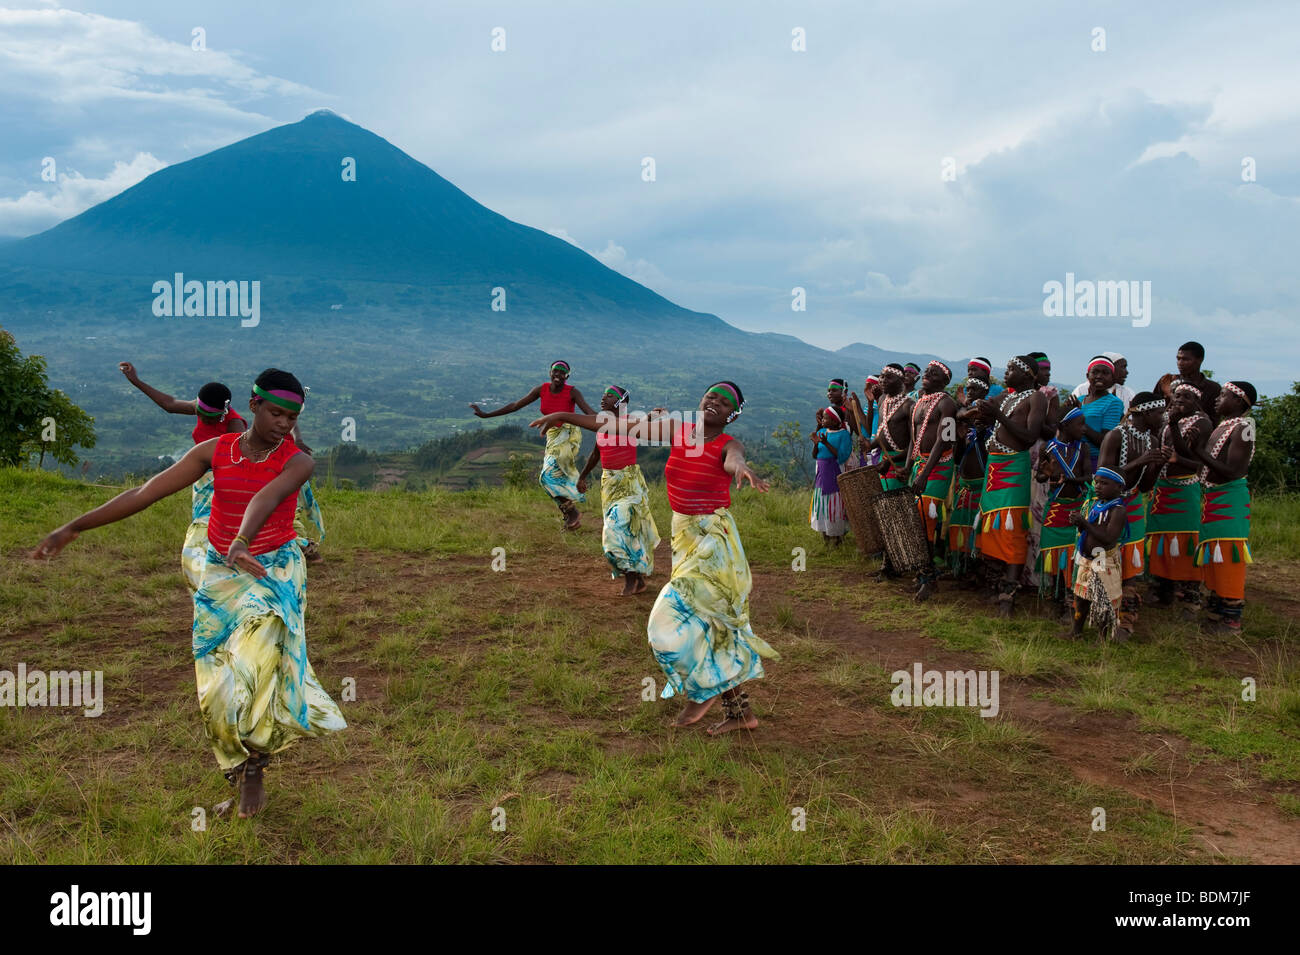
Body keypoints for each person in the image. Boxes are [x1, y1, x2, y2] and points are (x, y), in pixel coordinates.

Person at [32, 369, 346, 819]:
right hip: (221, 574)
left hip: (271, 571)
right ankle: (241, 769)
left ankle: (257, 762)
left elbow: (267, 497)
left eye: (293, 416)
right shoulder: (213, 451)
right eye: (277, 412)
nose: (285, 424)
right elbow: (145, 492)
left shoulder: (298, 462)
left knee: (255, 664)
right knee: (217, 686)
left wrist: (243, 539)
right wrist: (75, 526)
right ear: (253, 406)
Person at [530, 381, 775, 736]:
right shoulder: (678, 429)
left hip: (713, 542)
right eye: (710, 396)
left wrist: (741, 468)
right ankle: (739, 711)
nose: (714, 403)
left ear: (731, 415)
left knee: (665, 624)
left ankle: (701, 690)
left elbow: (733, 458)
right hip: (684, 538)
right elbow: (611, 426)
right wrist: (561, 413)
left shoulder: (728, 444)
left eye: (723, 403)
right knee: (713, 624)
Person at [471, 360, 596, 529]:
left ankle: (572, 511)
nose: (558, 374)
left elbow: (590, 413)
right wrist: (487, 415)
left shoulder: (572, 392)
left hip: (569, 435)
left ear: (567, 376)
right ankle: (570, 511)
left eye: (562, 372)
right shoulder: (541, 390)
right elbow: (515, 406)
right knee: (546, 479)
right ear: (550, 373)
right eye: (555, 371)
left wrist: (614, 423)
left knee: (547, 476)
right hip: (552, 436)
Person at [1174, 381, 1257, 632]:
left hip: (1229, 500)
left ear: (1240, 401)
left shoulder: (1244, 428)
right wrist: (1194, 450)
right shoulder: (1223, 426)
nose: (1217, 399)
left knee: (1228, 556)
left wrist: (1199, 450)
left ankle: (1232, 620)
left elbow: (1234, 471)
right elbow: (1203, 464)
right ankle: (1217, 611)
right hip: (1213, 499)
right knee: (1214, 556)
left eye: (1224, 395)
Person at [972, 356, 1048, 616]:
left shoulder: (1036, 398)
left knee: (1012, 526)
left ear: (1028, 374)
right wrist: (972, 413)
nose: (1006, 372)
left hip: (1014, 467)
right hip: (994, 467)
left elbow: (1029, 437)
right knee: (991, 526)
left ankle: (1009, 593)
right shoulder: (1005, 396)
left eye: (1012, 369)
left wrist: (998, 416)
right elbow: (976, 411)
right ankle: (994, 582)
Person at [1096, 392, 1169, 640]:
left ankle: (1125, 620)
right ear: (1146, 413)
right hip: (1106, 504)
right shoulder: (1116, 435)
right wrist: (1140, 461)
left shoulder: (1153, 440)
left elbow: (1146, 486)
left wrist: (1157, 464)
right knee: (1104, 557)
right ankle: (1099, 613)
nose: (1164, 417)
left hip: (1134, 503)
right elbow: (1102, 476)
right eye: (1160, 413)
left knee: (1130, 561)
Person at [576, 386, 661, 595]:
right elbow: (596, 454)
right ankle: (637, 578)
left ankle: (631, 578)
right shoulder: (601, 425)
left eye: (610, 395)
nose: (604, 397)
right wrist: (582, 476)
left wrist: (650, 416)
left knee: (614, 532)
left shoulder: (630, 421)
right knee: (624, 532)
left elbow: (642, 425)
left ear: (621, 402)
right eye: (603, 394)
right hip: (609, 484)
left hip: (629, 482)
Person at [1147, 382, 1211, 609]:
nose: (1180, 399)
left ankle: (1191, 596)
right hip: (1163, 486)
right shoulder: (1167, 418)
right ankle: (1163, 589)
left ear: (1196, 401)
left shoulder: (1202, 422)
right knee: (1159, 538)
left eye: (1186, 396)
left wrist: (1174, 426)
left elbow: (1194, 461)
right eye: (1177, 395)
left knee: (1186, 541)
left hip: (1184, 488)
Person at [907, 360, 958, 600]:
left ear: (945, 381)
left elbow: (946, 439)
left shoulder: (948, 404)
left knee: (925, 515)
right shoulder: (919, 402)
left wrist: (926, 473)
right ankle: (923, 572)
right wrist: (909, 467)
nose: (927, 374)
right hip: (919, 465)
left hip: (938, 468)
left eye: (934, 373)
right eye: (926, 371)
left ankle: (929, 577)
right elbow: (913, 440)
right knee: (916, 519)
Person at [1063, 467, 1130, 641]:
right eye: (1097, 482)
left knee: (1104, 601)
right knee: (1082, 597)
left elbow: (1108, 537)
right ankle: (1076, 631)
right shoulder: (1096, 504)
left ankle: (1103, 638)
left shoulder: (1118, 510)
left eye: (1104, 483)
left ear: (1119, 487)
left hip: (1104, 559)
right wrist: (1078, 523)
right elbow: (1089, 530)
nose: (1098, 486)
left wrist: (1084, 523)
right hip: (1088, 559)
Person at [1035, 406, 1090, 611]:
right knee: (1054, 554)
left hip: (1075, 510)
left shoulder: (1082, 449)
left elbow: (1088, 477)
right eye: (1080, 424)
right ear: (1065, 426)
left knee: (1072, 556)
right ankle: (1056, 594)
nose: (1084, 429)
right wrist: (1046, 474)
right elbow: (1039, 477)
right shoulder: (1047, 448)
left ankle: (1070, 600)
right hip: (1055, 511)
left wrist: (1069, 479)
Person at [947, 397, 988, 583]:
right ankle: (959, 567)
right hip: (964, 488)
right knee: (959, 527)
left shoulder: (992, 436)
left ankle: (977, 572)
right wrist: (961, 440)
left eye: (982, 415)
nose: (978, 418)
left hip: (982, 490)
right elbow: (956, 460)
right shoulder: (967, 433)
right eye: (974, 415)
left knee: (977, 531)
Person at [860, 364, 914, 491]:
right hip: (883, 460)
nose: (883, 380)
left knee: (897, 506)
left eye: (889, 377)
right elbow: (882, 434)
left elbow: (914, 443)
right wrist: (870, 445)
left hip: (900, 465)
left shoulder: (909, 406)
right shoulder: (882, 399)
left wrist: (896, 463)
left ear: (902, 381)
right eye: (882, 376)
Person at [809, 406, 852, 545]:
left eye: (826, 418)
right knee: (821, 503)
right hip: (822, 472)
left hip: (834, 471)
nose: (823, 420)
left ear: (834, 421)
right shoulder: (821, 431)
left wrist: (826, 443)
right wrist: (816, 444)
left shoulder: (843, 434)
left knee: (834, 504)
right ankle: (825, 535)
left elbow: (841, 456)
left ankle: (837, 536)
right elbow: (815, 455)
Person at [1074, 356, 1126, 468]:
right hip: (1073, 458)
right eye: (1095, 372)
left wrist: (1078, 419)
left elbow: (1105, 441)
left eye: (1105, 373)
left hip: (1095, 462)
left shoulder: (1114, 403)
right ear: (1088, 376)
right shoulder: (1079, 400)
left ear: (1112, 378)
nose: (1099, 376)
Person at [1154, 341, 1221, 425]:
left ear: (1200, 360)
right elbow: (1153, 414)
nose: (1180, 363)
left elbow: (1214, 421)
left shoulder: (1213, 388)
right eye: (1178, 359)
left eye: (1185, 359)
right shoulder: (1166, 381)